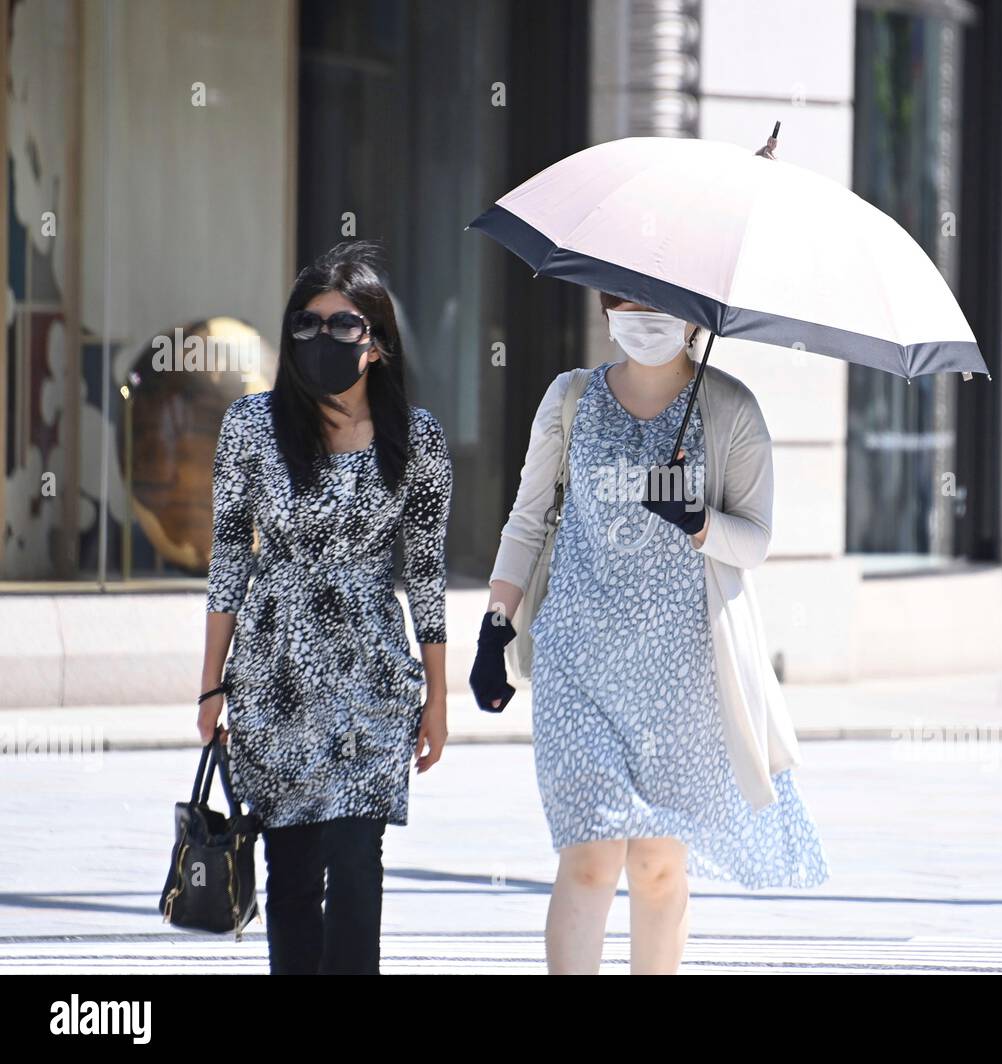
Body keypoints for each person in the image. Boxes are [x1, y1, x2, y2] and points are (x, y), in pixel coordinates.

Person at [470, 292, 829, 975]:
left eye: (659, 299)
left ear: (695, 314)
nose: (640, 312)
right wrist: (495, 627)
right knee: (589, 854)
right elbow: (527, 519)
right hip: (577, 659)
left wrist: (699, 521)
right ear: (604, 305)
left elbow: (753, 541)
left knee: (661, 864)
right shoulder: (570, 398)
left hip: (682, 673)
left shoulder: (731, 411)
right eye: (624, 296)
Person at [196, 240, 452, 975]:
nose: (323, 339)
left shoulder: (419, 440)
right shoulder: (250, 426)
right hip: (274, 674)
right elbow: (226, 561)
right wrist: (211, 683)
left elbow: (427, 576)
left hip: (371, 672)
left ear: (376, 344)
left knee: (356, 858)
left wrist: (438, 700)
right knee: (293, 869)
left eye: (343, 326)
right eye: (306, 325)